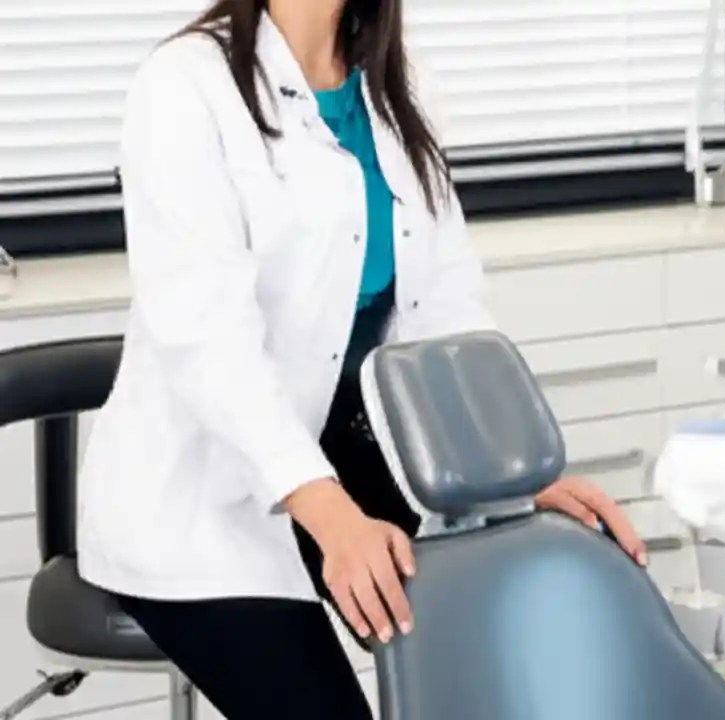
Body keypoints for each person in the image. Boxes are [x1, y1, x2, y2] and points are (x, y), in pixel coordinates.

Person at [76, 1, 647, 718]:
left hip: (348, 457)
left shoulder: (396, 83)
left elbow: (446, 304)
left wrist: (507, 474)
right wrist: (331, 517)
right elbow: (206, 338)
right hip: (201, 501)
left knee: (494, 652)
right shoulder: (187, 84)